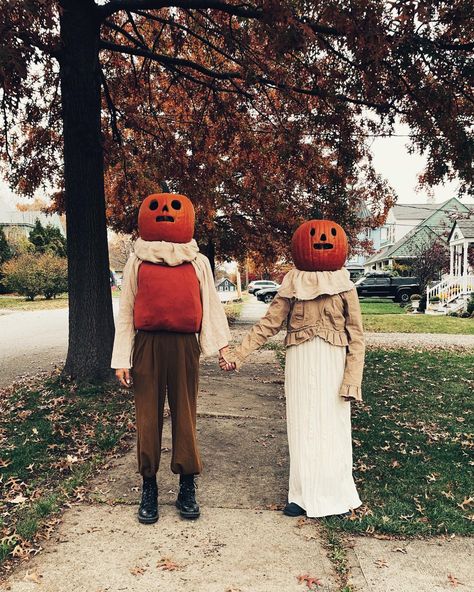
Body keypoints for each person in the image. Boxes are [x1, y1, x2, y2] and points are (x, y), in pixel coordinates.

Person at [221, 219, 364, 518]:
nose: (322, 240)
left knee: (331, 425)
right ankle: (300, 495)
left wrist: (352, 379)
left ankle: (335, 494)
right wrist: (238, 354)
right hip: (300, 360)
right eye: (314, 237)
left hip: (333, 362)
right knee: (302, 425)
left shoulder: (344, 285)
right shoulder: (293, 283)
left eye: (330, 237)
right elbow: (269, 324)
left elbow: (357, 337)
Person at [111, 191, 230, 524]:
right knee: (147, 416)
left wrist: (222, 347)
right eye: (157, 208)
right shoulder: (137, 259)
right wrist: (122, 358)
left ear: (186, 216)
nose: (165, 211)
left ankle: (186, 485)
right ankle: (149, 486)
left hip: (184, 346)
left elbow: (211, 305)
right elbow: (125, 310)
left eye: (174, 208)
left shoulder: (197, 261)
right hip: (146, 345)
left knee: (185, 415)